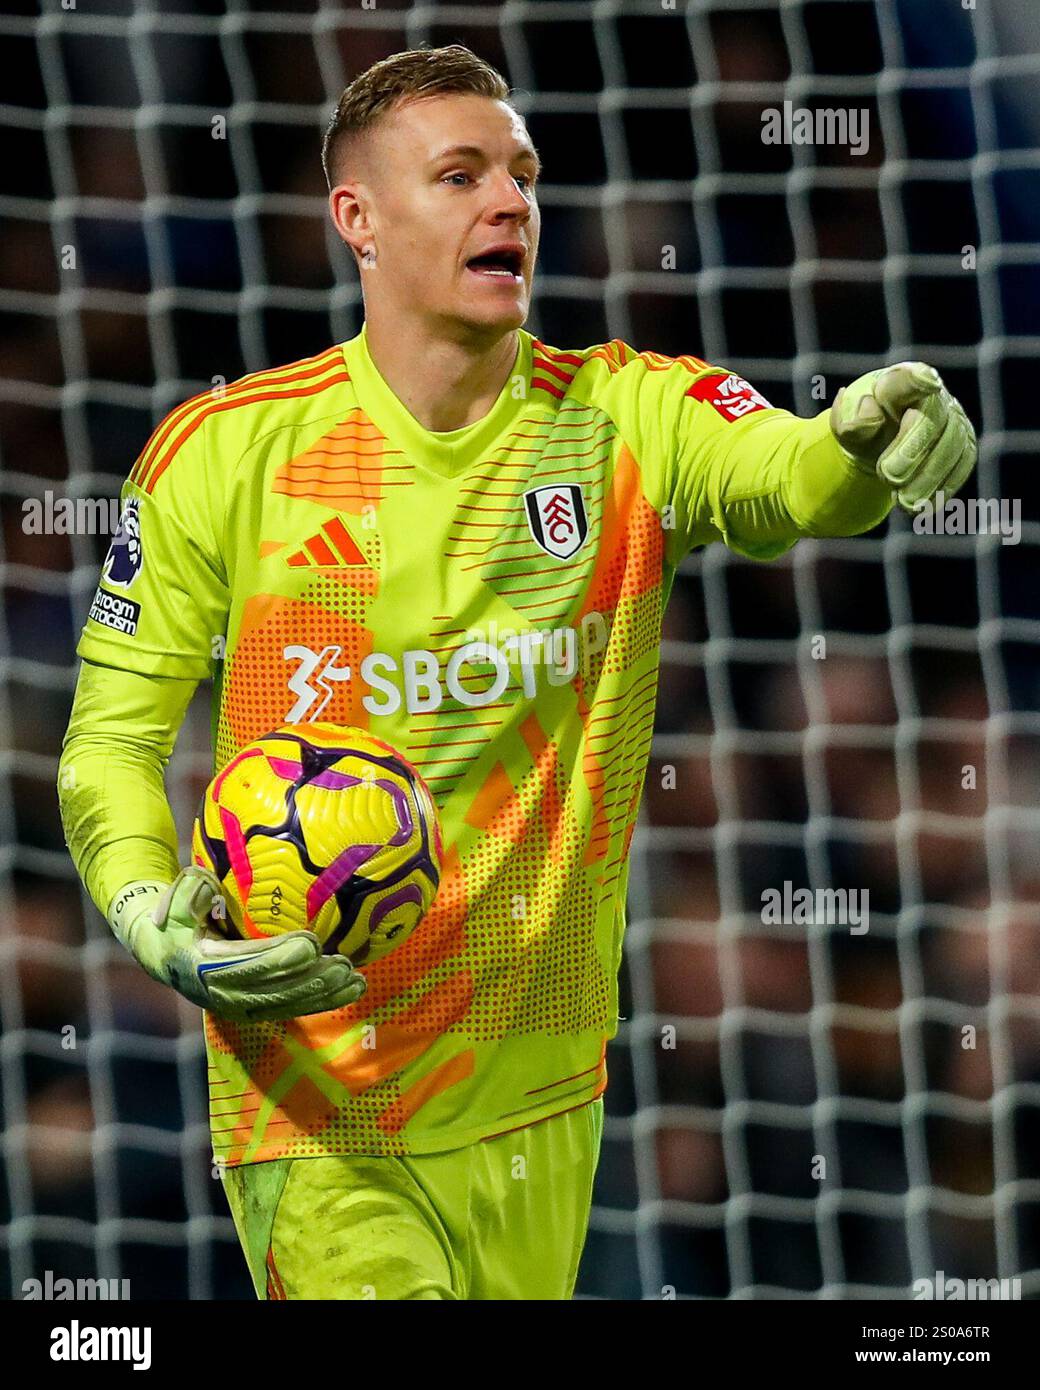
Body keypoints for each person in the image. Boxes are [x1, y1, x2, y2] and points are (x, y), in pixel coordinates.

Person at [58, 44, 977, 1300]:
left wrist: (867, 439)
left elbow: (789, 475)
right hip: (321, 1103)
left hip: (544, 1091)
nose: (511, 201)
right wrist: (142, 911)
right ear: (357, 220)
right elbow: (108, 741)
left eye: (523, 173)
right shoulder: (224, 458)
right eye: (460, 173)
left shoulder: (623, 417)